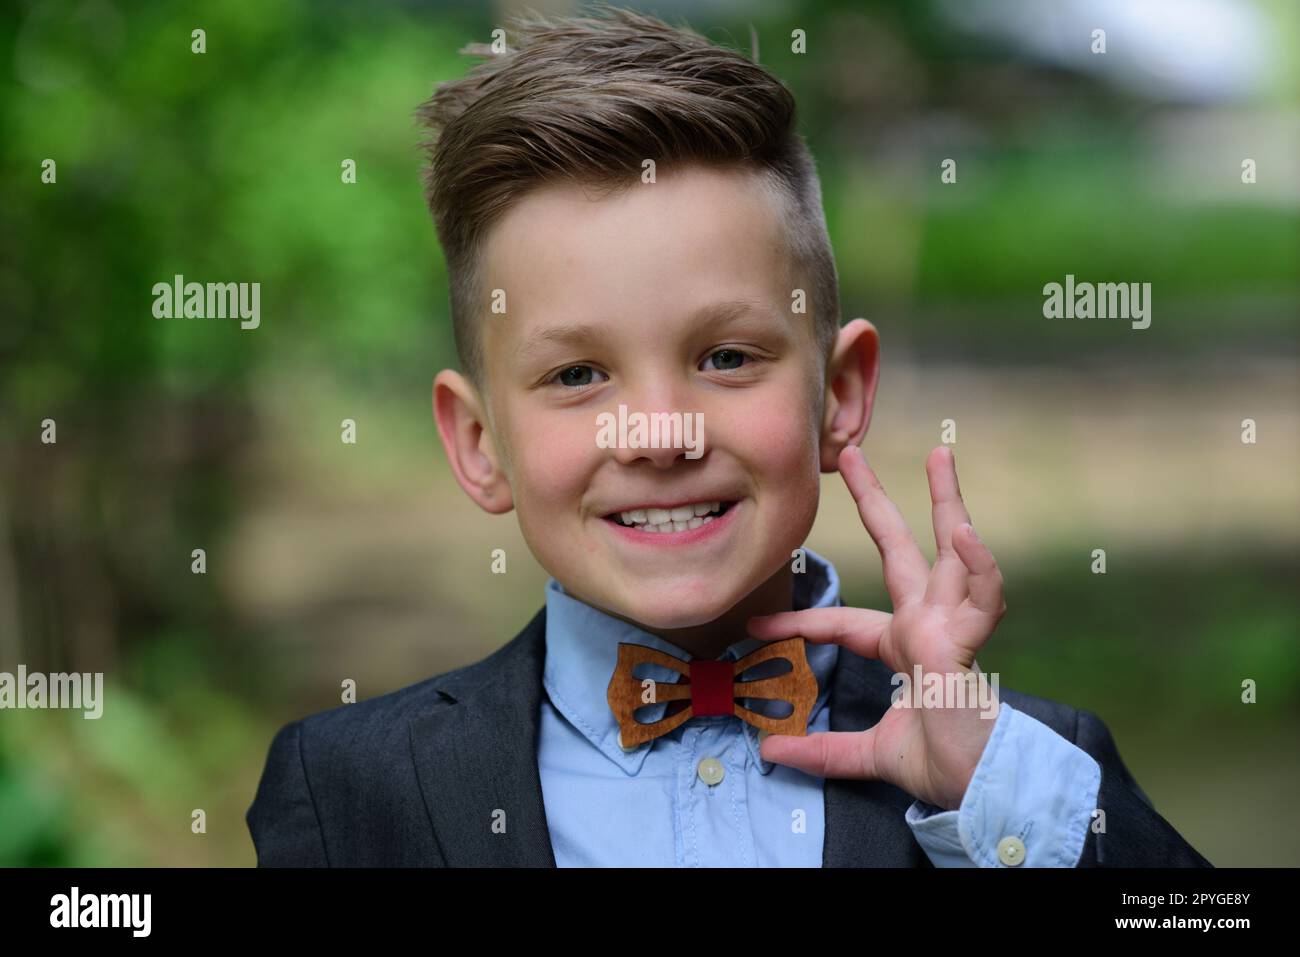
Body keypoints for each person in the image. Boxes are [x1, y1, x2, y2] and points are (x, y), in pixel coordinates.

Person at [247, 4, 1210, 867]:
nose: (660, 434)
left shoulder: (1021, 764)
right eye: (577, 375)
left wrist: (989, 787)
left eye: (726, 358)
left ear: (838, 393)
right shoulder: (348, 790)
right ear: (477, 440)